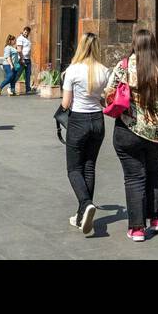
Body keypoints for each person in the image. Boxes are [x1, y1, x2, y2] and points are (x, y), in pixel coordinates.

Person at [104, 28, 158, 242]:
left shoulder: (124, 66)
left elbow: (109, 94)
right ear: (153, 46)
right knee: (154, 173)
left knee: (134, 177)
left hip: (129, 130)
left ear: (135, 44)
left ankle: (137, 228)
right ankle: (156, 219)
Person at [61, 32, 108, 235]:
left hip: (78, 120)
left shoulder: (72, 70)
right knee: (89, 166)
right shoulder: (104, 71)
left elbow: (66, 103)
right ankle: (81, 215)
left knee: (74, 168)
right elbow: (106, 100)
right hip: (97, 121)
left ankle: (86, 203)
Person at [15, 26, 35, 95]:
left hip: (28, 59)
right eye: (25, 32)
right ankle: (11, 87)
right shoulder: (20, 39)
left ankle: (28, 89)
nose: (26, 33)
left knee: (28, 74)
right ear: (23, 31)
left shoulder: (27, 39)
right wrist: (22, 59)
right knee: (18, 74)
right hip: (22, 59)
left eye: (28, 32)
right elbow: (19, 50)